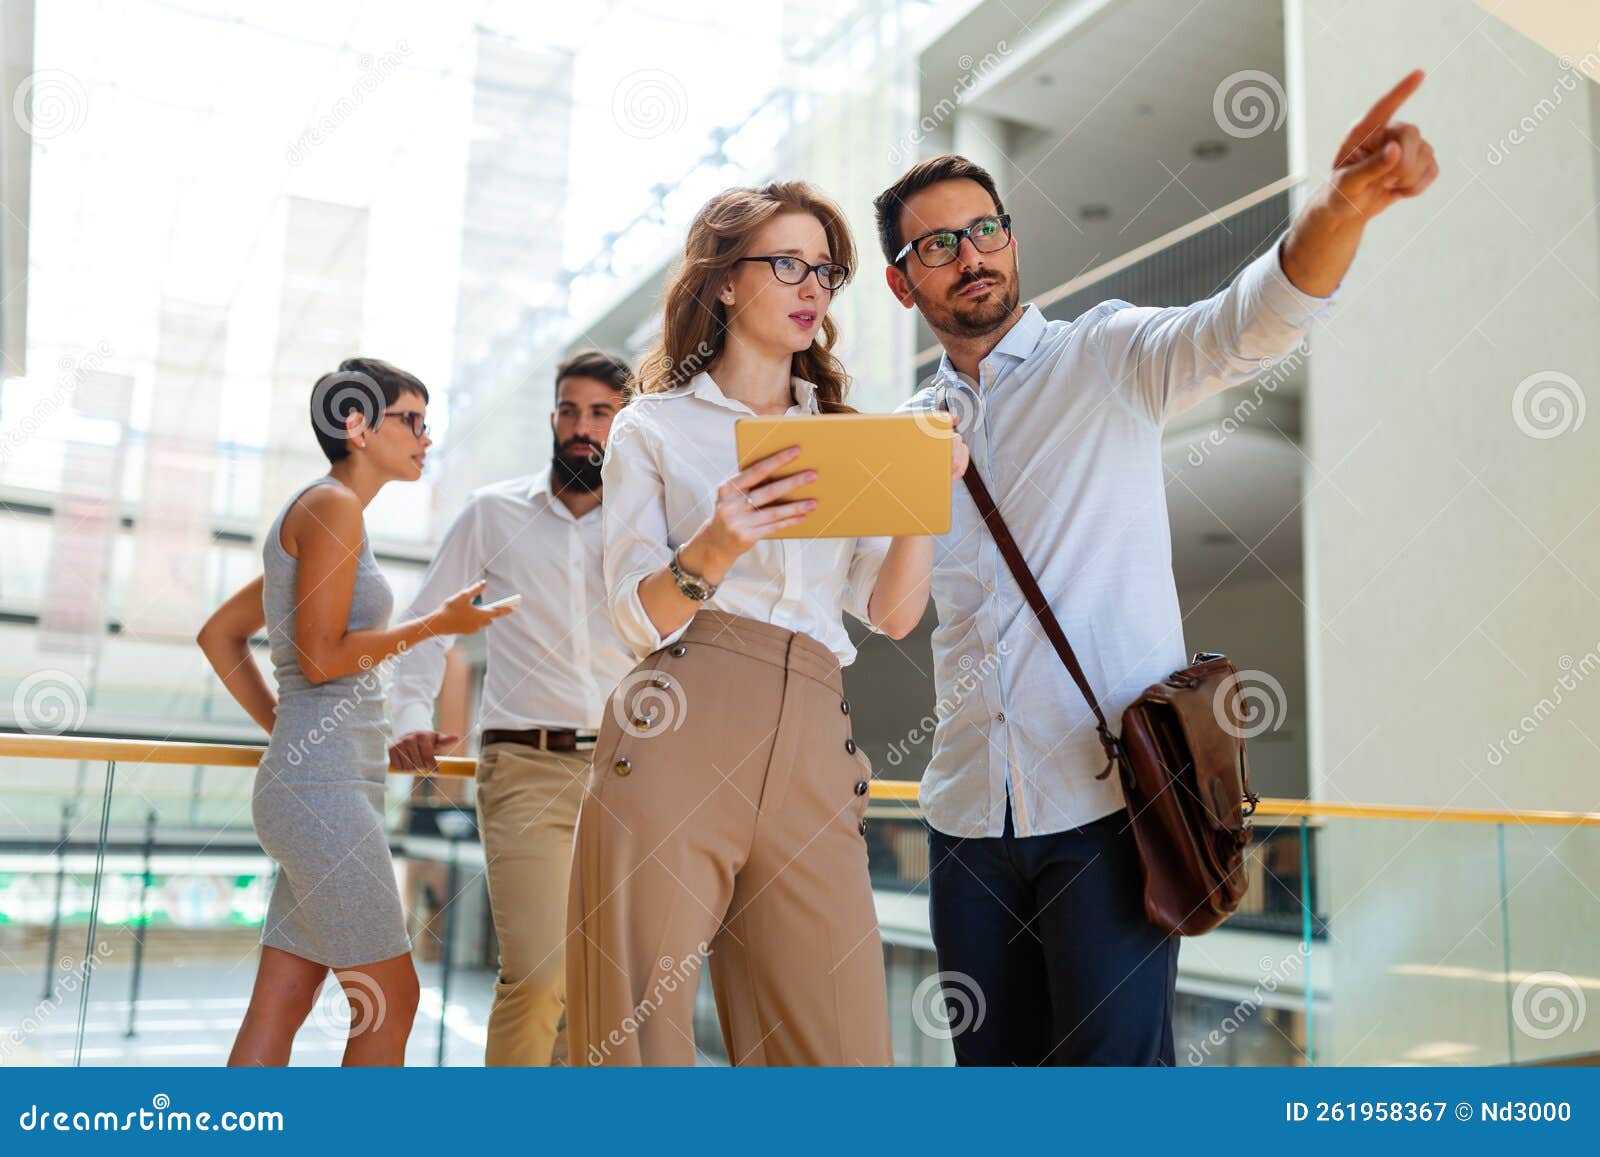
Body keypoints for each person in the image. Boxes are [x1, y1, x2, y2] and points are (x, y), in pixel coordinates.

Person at [873, 71, 1437, 1065]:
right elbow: (882, 604)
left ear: (1012, 239)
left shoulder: (1104, 356)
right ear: (901, 281)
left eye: (985, 229)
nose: (971, 256)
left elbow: (1246, 324)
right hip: (966, 823)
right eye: (938, 244)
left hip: (1106, 813)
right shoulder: (905, 435)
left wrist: (1339, 207)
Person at [566, 180, 968, 1066]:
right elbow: (633, 620)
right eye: (788, 263)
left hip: (817, 738)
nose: (812, 287)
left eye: (825, 271)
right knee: (635, 1044)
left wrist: (923, 504)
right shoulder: (653, 428)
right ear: (722, 281)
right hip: (679, 723)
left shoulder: (849, 436)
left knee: (842, 1053)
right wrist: (718, 542)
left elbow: (891, 612)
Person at [198, 357, 511, 1066]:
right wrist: (436, 625)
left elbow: (221, 634)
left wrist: (299, 734)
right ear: (357, 425)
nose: (426, 437)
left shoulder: (324, 512)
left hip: (323, 784)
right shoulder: (331, 506)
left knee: (282, 1000)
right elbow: (321, 659)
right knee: (392, 999)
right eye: (412, 420)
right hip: (323, 796)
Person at [388, 349, 634, 1066]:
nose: (581, 427)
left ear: (626, 424)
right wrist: (410, 716)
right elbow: (428, 622)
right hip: (527, 767)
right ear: (552, 418)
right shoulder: (492, 513)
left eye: (600, 413)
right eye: (569, 411)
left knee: (607, 988)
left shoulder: (648, 522)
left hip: (633, 772)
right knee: (541, 973)